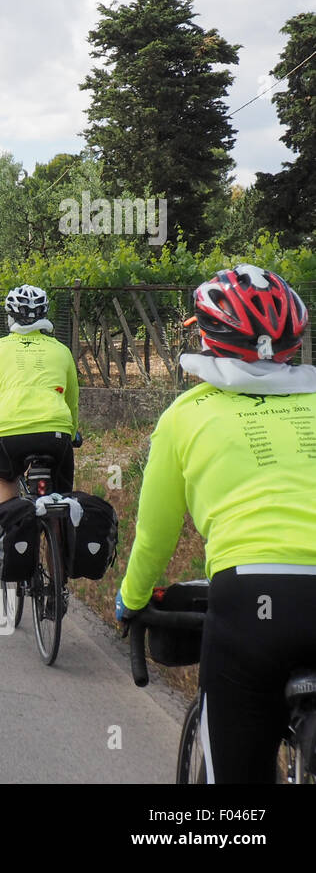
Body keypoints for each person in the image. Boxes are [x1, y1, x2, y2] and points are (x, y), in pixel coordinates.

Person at [116, 264, 316, 783]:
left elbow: (155, 537)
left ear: (206, 339)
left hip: (254, 604)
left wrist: (133, 599)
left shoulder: (185, 415)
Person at [0, 284, 80, 505]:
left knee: (1, 478)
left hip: (11, 435)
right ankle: (61, 536)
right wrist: (71, 434)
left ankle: (11, 528)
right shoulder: (62, 350)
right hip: (57, 434)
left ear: (10, 316)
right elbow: (72, 402)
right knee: (61, 499)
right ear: (45, 314)